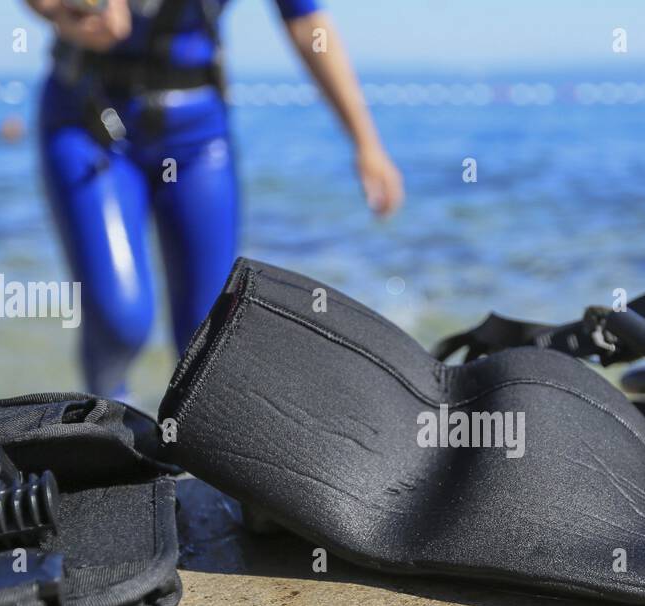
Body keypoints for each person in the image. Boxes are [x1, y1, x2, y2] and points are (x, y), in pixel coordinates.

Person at [23, 0, 404, 398]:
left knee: (207, 343)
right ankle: (102, 422)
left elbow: (308, 24)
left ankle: (184, 450)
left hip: (198, 137)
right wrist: (60, 8)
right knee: (121, 321)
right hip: (89, 121)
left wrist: (366, 142)